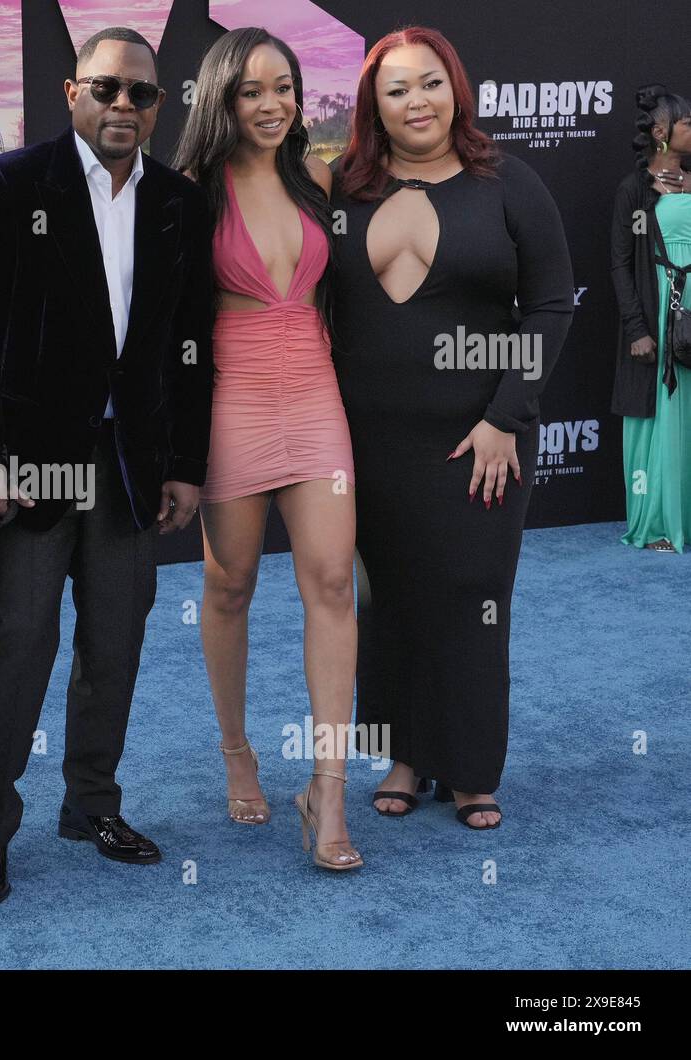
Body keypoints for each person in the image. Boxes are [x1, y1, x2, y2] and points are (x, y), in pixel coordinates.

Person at [0, 26, 214, 905]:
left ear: (159, 104)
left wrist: (184, 461)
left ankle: (92, 804)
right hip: (31, 464)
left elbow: (189, 343)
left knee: (118, 639)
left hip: (130, 464)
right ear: (72, 93)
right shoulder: (10, 184)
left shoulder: (179, 199)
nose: (123, 106)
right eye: (107, 89)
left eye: (141, 93)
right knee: (20, 640)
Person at [331, 26, 574, 829]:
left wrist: (507, 415)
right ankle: (404, 755)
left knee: (473, 596)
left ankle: (471, 770)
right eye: (396, 89)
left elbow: (547, 305)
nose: (416, 102)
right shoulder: (343, 187)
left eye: (429, 83)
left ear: (455, 87)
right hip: (368, 440)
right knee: (390, 596)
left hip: (482, 439)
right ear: (374, 104)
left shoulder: (506, 181)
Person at [172, 27, 360, 869]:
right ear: (222, 98)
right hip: (231, 401)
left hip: (315, 397)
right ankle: (237, 752)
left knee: (330, 580)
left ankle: (328, 793)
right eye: (252, 91)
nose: (273, 104)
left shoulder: (317, 179)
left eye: (283, 87)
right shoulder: (191, 193)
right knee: (231, 583)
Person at [612, 83, 691, 553]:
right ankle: (657, 523)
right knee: (656, 417)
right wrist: (637, 329)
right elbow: (620, 263)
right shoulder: (634, 190)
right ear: (661, 132)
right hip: (656, 306)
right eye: (687, 124)